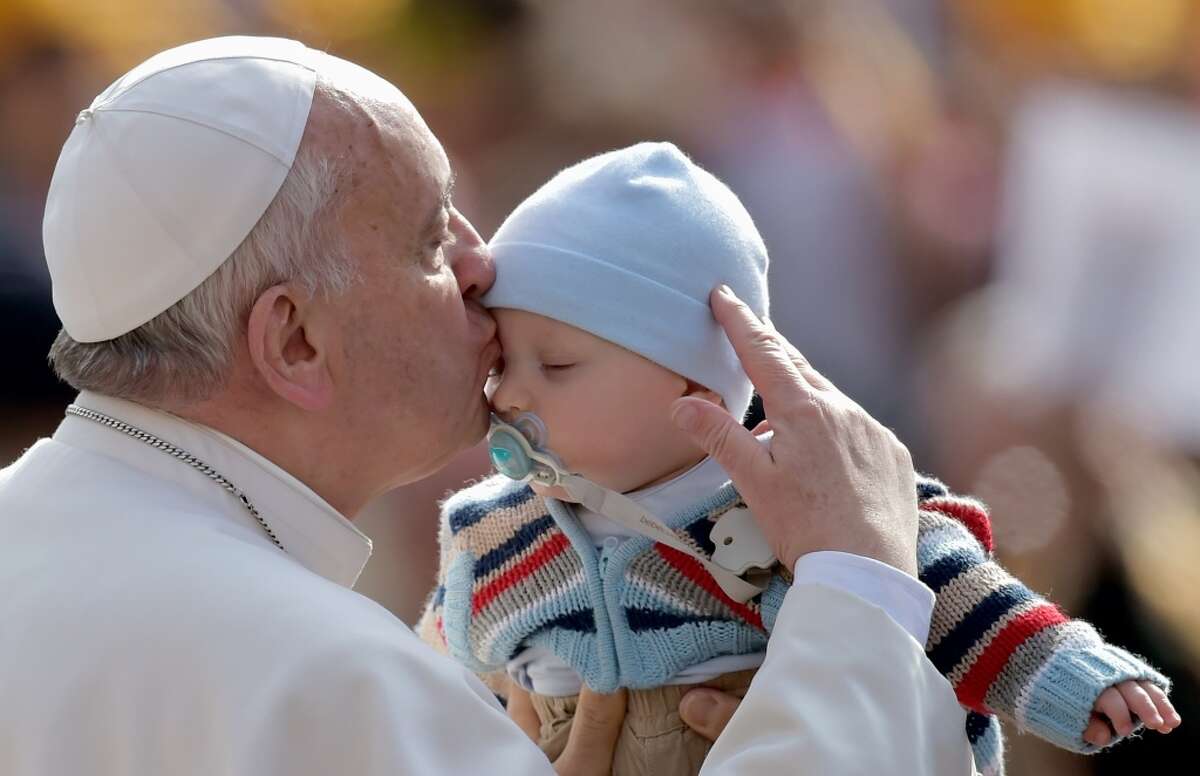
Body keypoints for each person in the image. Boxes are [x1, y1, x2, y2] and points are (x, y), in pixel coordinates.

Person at [1, 36, 977, 775]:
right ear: (294, 339)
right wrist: (861, 591)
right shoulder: (335, 685)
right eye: (432, 238)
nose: (483, 264)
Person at [417, 142, 1179, 775]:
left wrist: (1074, 677)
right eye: (503, 361)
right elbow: (427, 680)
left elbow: (956, 595)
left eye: (555, 366)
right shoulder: (491, 531)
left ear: (690, 385)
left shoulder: (804, 497)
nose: (511, 393)